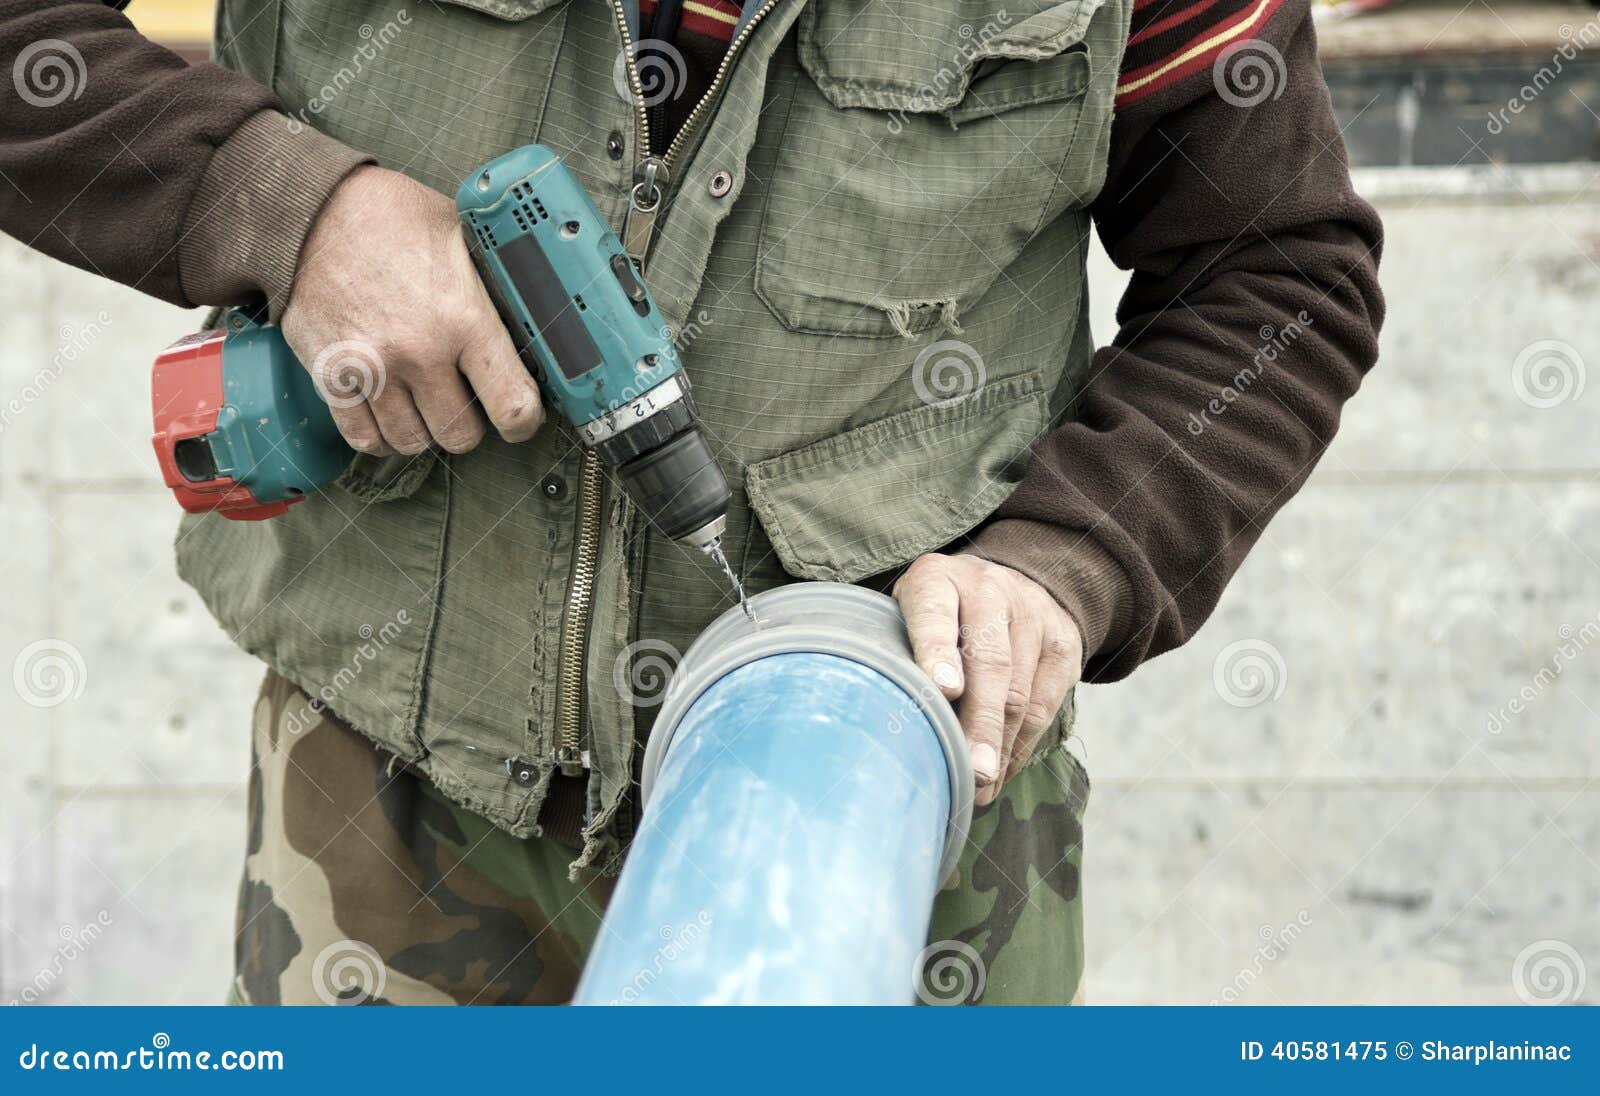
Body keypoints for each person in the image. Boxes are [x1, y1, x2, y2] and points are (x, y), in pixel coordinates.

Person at [0, 0, 1383, 1004]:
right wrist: (289, 206)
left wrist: (1071, 557)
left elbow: (1276, 272)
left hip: (895, 823)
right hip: (394, 818)